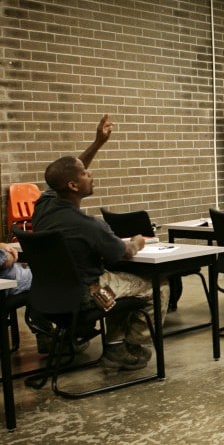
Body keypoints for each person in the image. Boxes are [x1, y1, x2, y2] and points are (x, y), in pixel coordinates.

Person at [31, 114, 166, 371]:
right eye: (85, 174)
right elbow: (125, 253)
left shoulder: (43, 206)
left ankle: (94, 340)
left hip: (50, 295)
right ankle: (125, 346)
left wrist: (98, 143)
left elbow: (69, 171)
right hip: (86, 295)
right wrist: (138, 241)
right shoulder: (89, 226)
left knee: (121, 281)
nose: (89, 173)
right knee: (158, 286)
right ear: (73, 185)